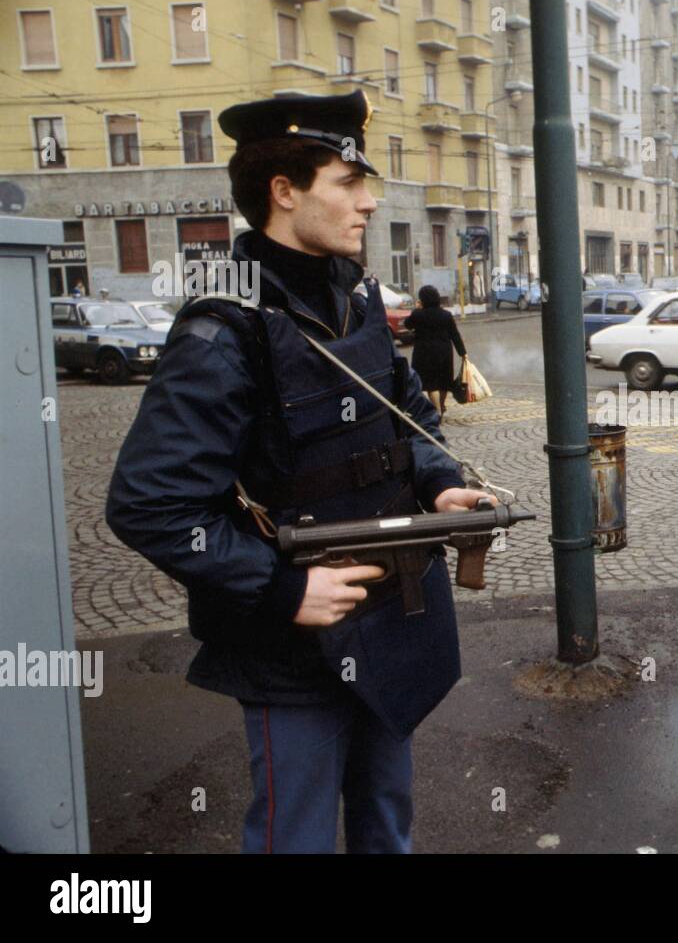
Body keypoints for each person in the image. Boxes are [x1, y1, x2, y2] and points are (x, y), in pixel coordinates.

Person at [104, 89, 493, 854]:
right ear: (283, 192)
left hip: (388, 621)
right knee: (298, 838)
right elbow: (149, 503)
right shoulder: (223, 330)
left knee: (388, 822)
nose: (371, 201)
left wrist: (438, 480)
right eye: (348, 183)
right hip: (291, 649)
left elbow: (409, 416)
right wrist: (283, 587)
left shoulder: (353, 296)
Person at [403, 285, 466, 414]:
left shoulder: (418, 314)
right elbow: (455, 335)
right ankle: (441, 406)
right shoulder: (446, 315)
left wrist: (417, 309)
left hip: (424, 353)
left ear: (422, 299)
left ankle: (436, 408)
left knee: (430, 383)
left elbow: (407, 325)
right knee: (443, 382)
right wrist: (463, 353)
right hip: (443, 352)